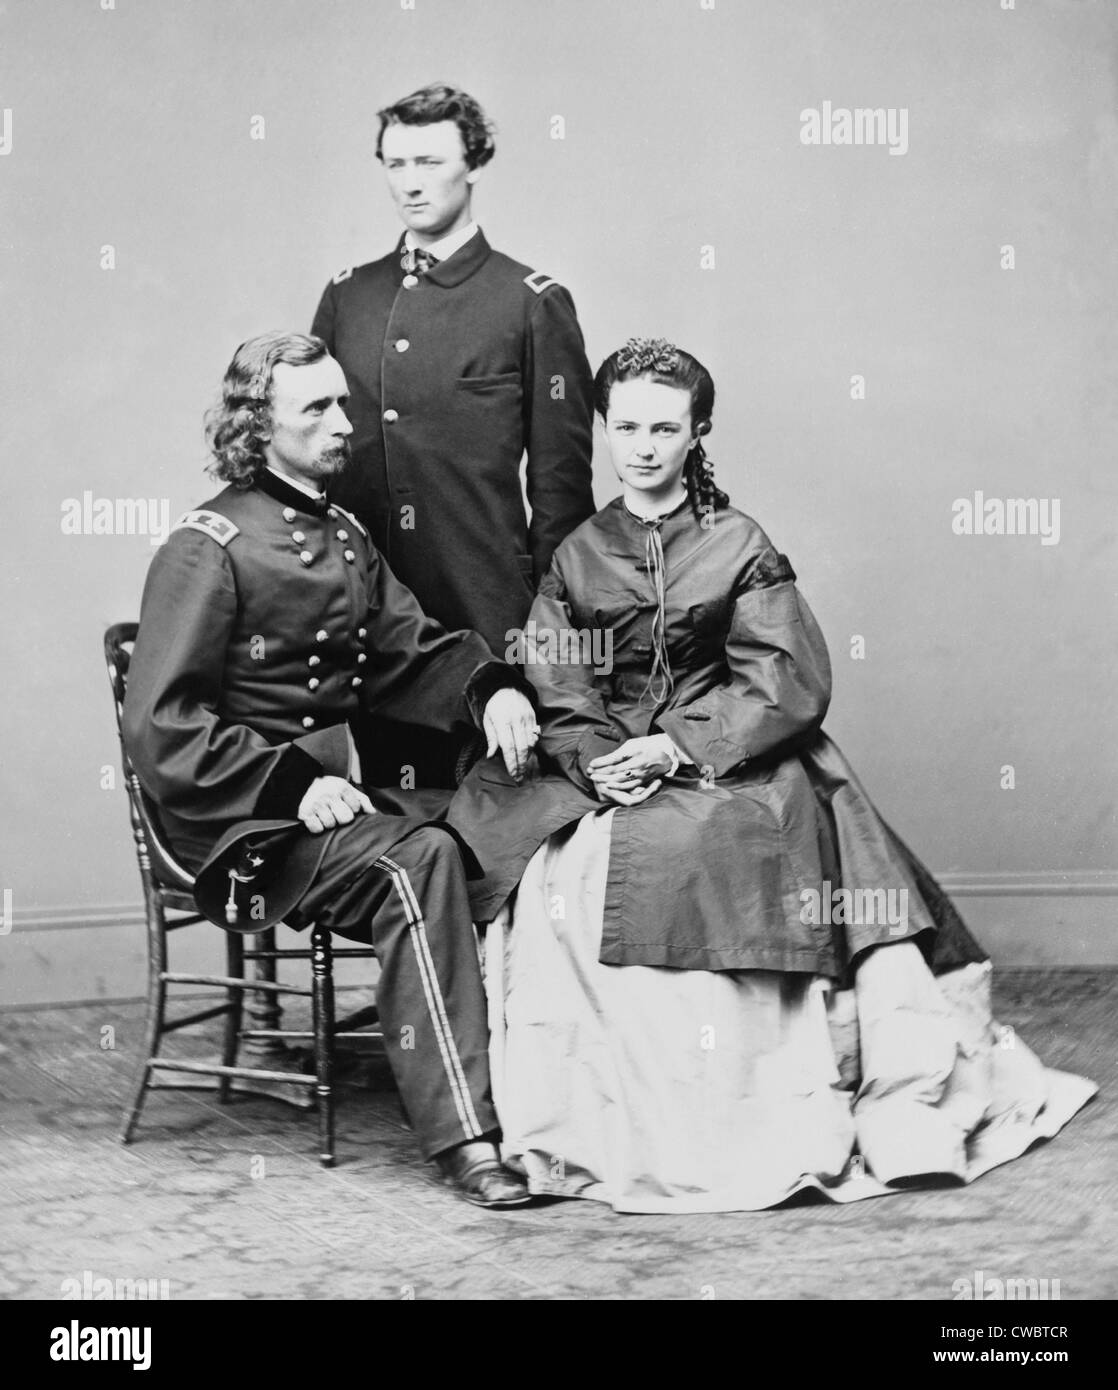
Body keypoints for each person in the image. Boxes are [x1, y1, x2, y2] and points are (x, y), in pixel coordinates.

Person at [447, 337, 1097, 1213]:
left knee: (715, 839)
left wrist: (676, 748)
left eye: (665, 428)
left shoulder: (738, 541)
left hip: (732, 750)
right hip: (603, 760)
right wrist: (601, 758)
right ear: (603, 430)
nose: (643, 446)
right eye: (627, 426)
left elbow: (783, 676)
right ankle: (601, 1119)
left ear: (697, 432)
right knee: (551, 863)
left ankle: (735, 1113)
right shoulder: (577, 554)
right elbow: (561, 678)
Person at [123, 331, 541, 1209]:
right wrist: (290, 785)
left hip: (330, 807)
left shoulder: (343, 532)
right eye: (315, 408)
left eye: (342, 402)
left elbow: (411, 652)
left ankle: (545, 1093)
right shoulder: (209, 545)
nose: (342, 424)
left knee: (507, 814)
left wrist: (490, 689)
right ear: (256, 425)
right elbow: (163, 724)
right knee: (416, 859)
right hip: (243, 825)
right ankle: (467, 1135)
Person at [311, 82, 595, 786]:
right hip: (371, 615)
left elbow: (561, 488)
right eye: (394, 163)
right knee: (396, 823)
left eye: (430, 162)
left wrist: (549, 626)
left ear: (475, 163)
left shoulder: (530, 301)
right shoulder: (349, 296)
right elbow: (310, 461)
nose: (410, 183)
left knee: (503, 822)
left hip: (488, 609)